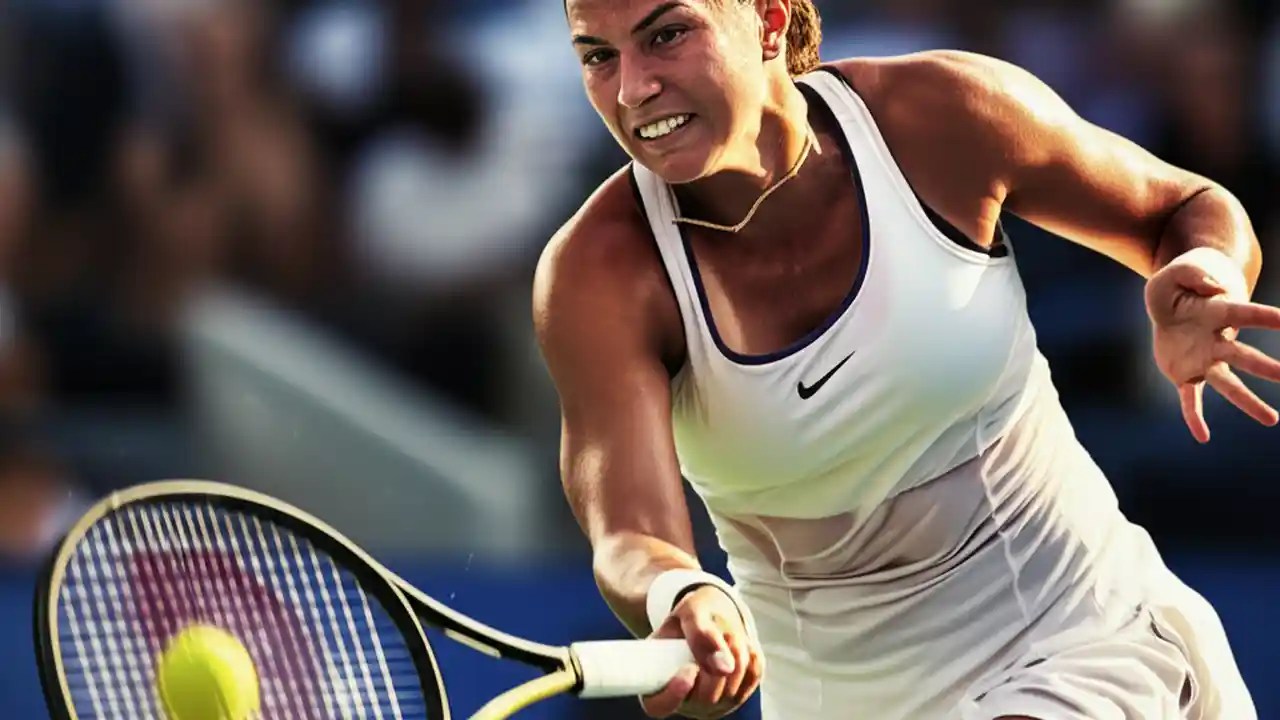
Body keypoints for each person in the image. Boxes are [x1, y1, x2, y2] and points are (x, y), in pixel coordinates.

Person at [533, 1, 1274, 718]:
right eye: (598, 55)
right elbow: (631, 534)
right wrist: (681, 594)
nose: (633, 88)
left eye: (666, 35)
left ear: (767, 19)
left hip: (1081, 637)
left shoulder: (943, 115)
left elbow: (1184, 208)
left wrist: (1204, 274)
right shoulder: (597, 273)